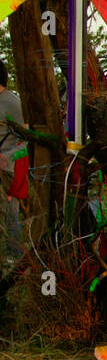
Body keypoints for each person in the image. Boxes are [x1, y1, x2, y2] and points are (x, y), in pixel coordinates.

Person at [0, 61, 25, 262]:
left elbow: (28, 140)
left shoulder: (12, 103)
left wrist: (7, 158)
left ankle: (15, 264)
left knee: (9, 217)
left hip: (6, 171)